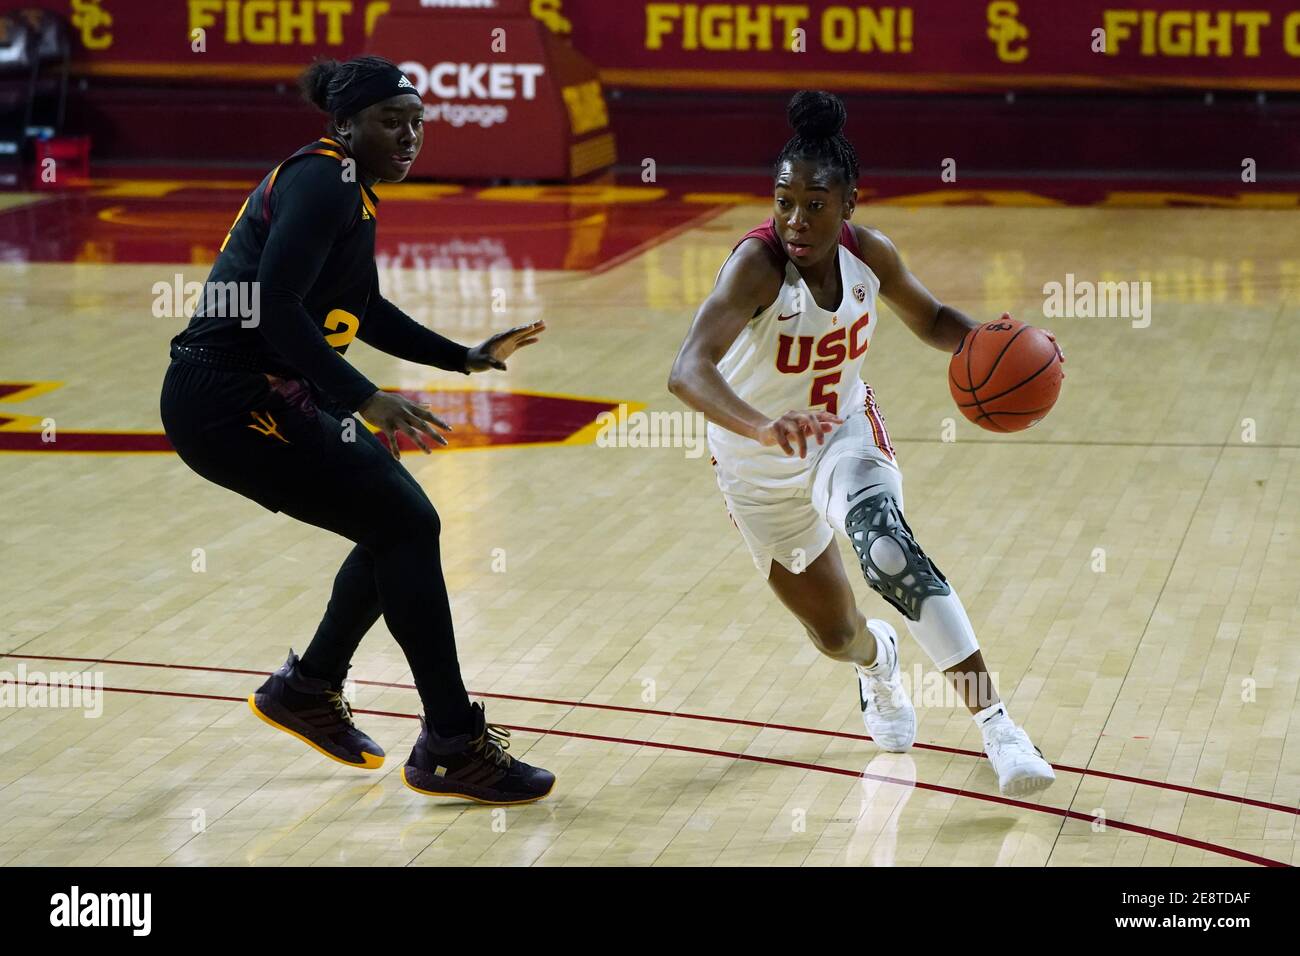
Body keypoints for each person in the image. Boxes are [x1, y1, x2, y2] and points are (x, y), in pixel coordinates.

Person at [159, 55, 553, 805]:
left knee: (398, 525)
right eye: (390, 122)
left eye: (417, 124)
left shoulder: (346, 186)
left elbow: (360, 309)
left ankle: (313, 690)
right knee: (405, 524)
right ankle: (448, 743)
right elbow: (273, 306)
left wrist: (462, 357)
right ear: (345, 124)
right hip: (231, 395)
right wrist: (365, 397)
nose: (408, 137)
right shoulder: (322, 179)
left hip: (267, 391)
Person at [668, 90, 1064, 796]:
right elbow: (686, 371)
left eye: (814, 203)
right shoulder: (756, 267)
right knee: (834, 634)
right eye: (783, 201)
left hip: (842, 436)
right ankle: (876, 663)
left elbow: (934, 316)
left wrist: (993, 344)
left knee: (888, 550)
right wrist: (764, 426)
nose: (795, 219)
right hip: (756, 467)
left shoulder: (869, 253)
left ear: (849, 202)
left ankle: (999, 727)